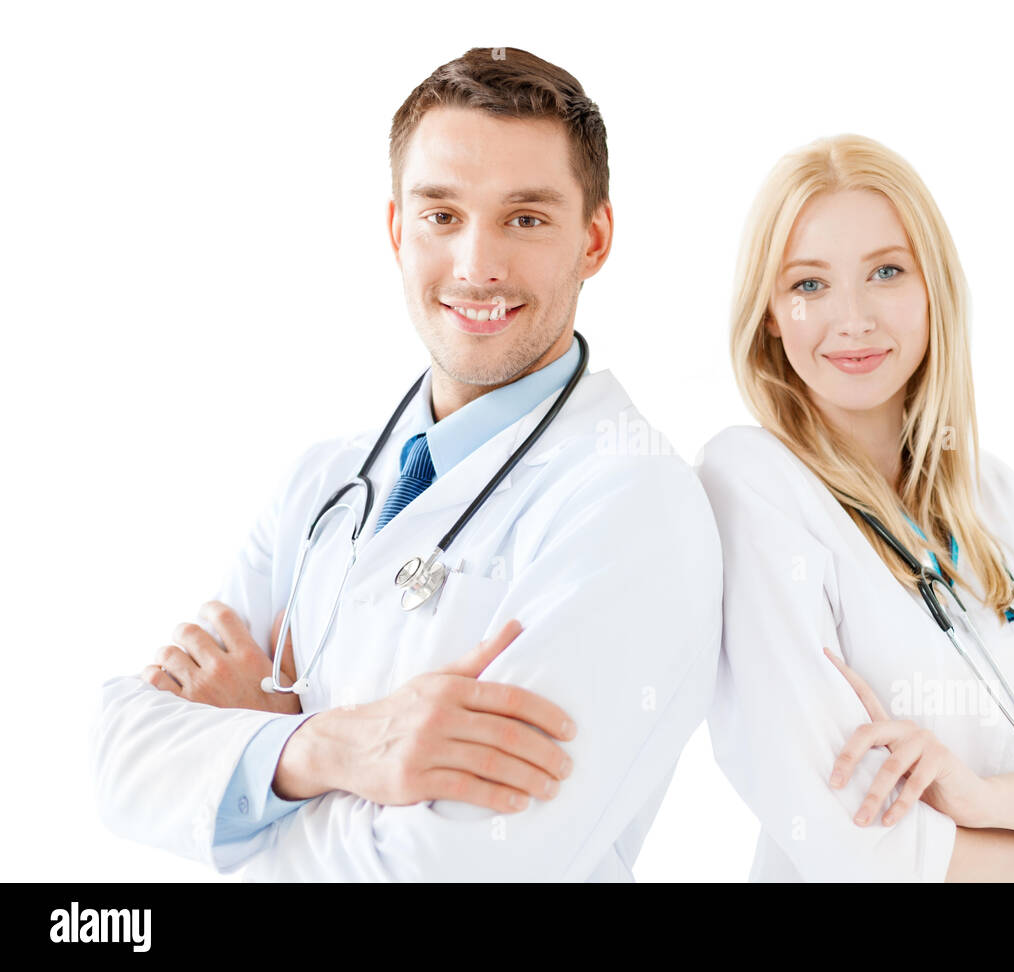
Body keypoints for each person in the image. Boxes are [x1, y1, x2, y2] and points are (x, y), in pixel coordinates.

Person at [90, 47, 723, 882]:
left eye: (525, 218)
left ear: (594, 238)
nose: (476, 265)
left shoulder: (632, 505)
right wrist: (334, 745)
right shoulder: (322, 485)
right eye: (441, 215)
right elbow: (117, 759)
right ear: (396, 228)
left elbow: (454, 863)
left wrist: (249, 762)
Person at [694, 134, 1014, 882]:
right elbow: (849, 835)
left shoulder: (997, 500)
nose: (852, 318)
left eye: (886, 272)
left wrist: (978, 797)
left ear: (934, 289)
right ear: (769, 314)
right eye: (809, 285)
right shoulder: (752, 483)